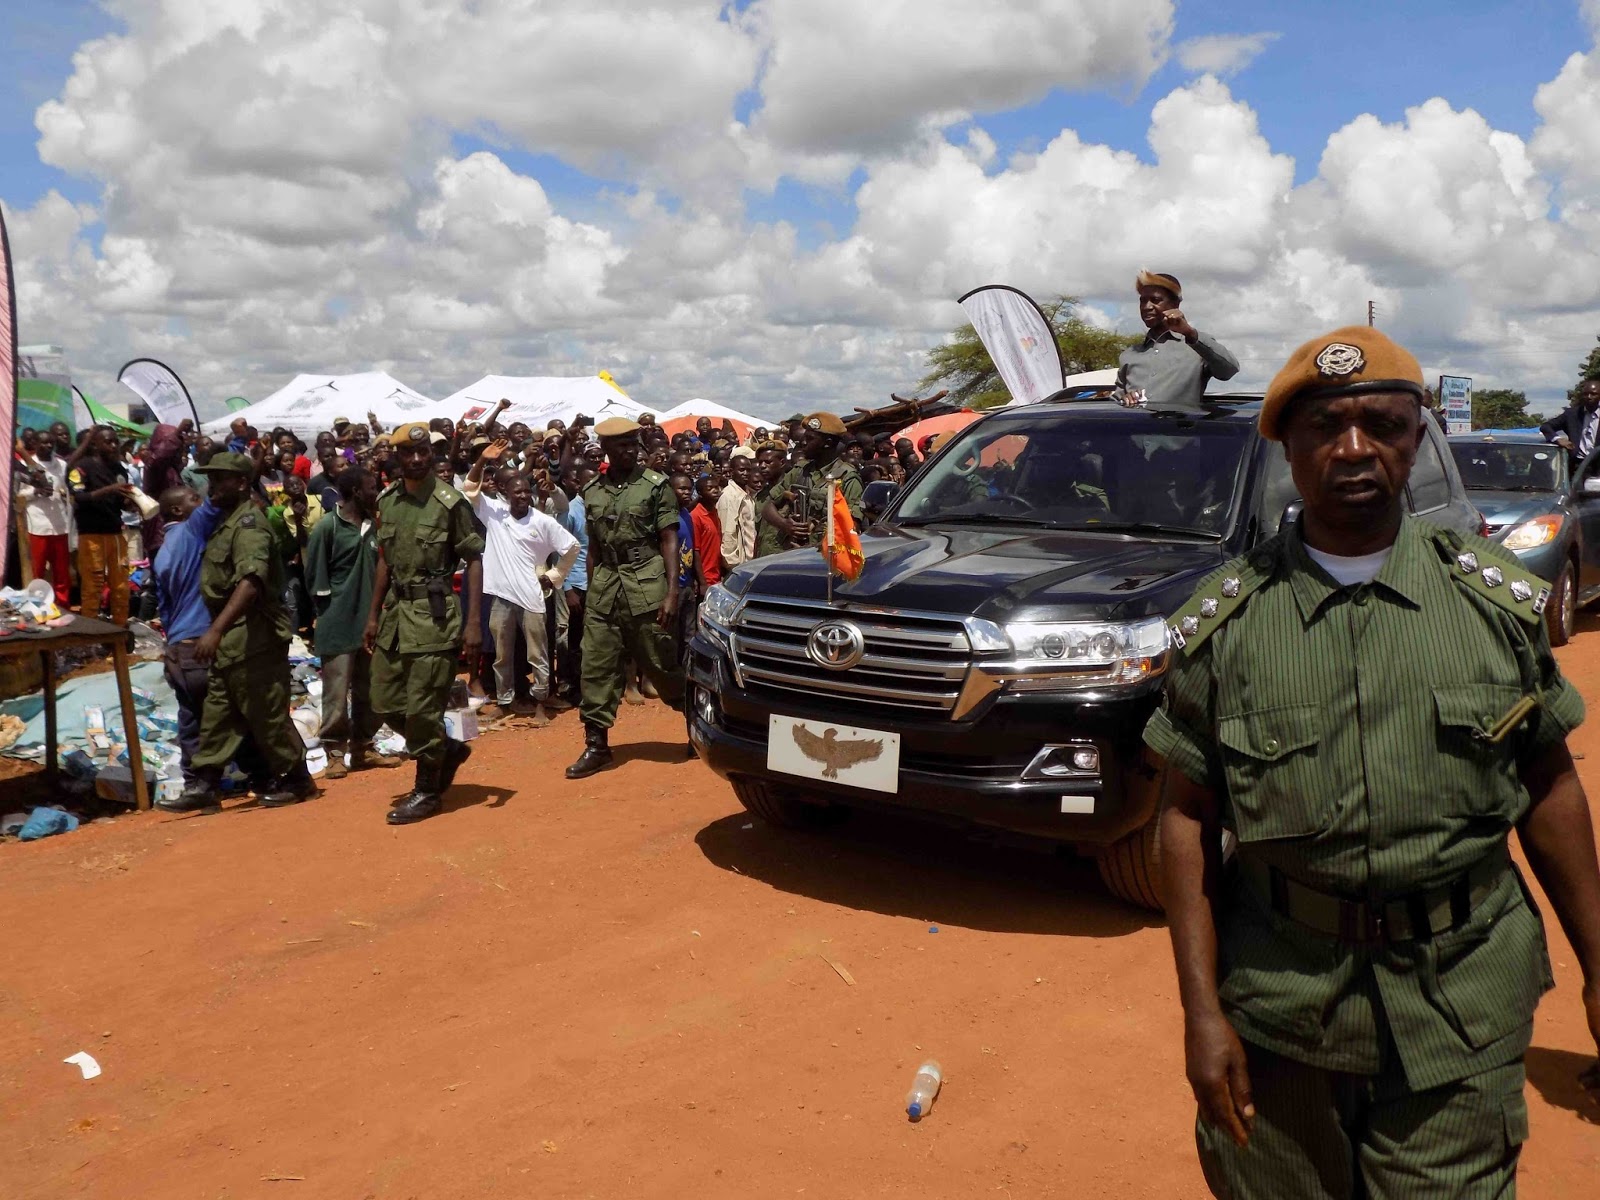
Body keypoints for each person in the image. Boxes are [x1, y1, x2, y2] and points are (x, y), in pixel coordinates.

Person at [1145, 326, 1600, 1198]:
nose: (1353, 449)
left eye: (1382, 424)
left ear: (1417, 436)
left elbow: (1550, 788)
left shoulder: (1493, 607)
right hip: (1280, 1005)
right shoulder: (1227, 626)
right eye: (1325, 427)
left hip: (1462, 998)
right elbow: (1183, 820)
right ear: (1286, 445)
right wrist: (1201, 1016)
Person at [168, 454, 314, 810]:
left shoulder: (248, 525)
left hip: (254, 635)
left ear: (241, 484)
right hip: (232, 636)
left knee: (264, 711)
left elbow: (250, 582)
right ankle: (204, 783)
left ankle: (298, 780)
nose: (212, 486)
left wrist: (214, 630)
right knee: (219, 710)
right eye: (211, 478)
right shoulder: (227, 522)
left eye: (220, 479)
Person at [363, 422, 485, 825]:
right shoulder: (389, 500)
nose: (416, 459)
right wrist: (373, 613)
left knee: (422, 710)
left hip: (434, 618)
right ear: (396, 458)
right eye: (408, 454)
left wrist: (473, 623)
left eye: (423, 454)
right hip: (397, 615)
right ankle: (445, 750)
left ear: (432, 457)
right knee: (382, 702)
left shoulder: (451, 503)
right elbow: (385, 557)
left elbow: (474, 558)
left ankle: (427, 790)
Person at [565, 419, 685, 780]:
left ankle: (699, 723)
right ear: (605, 448)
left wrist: (672, 590)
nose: (629, 450)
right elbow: (594, 547)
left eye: (633, 444)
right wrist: (591, 588)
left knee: (661, 663)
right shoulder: (592, 491)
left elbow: (669, 539)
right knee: (596, 666)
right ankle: (596, 745)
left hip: (646, 585)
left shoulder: (655, 486)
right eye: (620, 445)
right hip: (605, 587)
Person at [463, 441, 580, 726]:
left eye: (527, 491)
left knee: (537, 654)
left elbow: (572, 547)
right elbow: (469, 489)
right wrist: (481, 460)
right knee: (502, 655)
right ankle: (504, 702)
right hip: (502, 597)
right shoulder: (493, 512)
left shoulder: (542, 521)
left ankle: (540, 704)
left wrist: (553, 577)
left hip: (531, 597)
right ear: (505, 493)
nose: (523, 496)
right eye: (517, 492)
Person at [305, 467, 402, 779]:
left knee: (370, 688)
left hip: (371, 622)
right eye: (372, 488)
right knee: (336, 690)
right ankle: (334, 750)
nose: (377, 493)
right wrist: (324, 616)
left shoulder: (375, 527)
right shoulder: (327, 528)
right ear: (357, 492)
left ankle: (363, 748)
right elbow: (314, 577)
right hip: (337, 621)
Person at [1115, 270, 1239, 412]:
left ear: (1175, 303)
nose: (1146, 307)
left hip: (1180, 433)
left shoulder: (1195, 347)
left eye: (1155, 300)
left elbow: (1229, 370)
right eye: (1142, 301)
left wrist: (1190, 333)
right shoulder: (1129, 355)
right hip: (1135, 432)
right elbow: (1115, 402)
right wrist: (1124, 400)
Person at [763, 413, 863, 548]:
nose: (803, 442)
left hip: (824, 558)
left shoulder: (847, 477)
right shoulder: (799, 471)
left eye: (810, 439)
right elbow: (768, 507)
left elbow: (851, 527)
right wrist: (785, 525)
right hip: (791, 553)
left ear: (827, 444)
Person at [66, 425, 133, 624]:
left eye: (115, 441)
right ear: (95, 444)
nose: (113, 446)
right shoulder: (81, 467)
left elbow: (122, 502)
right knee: (92, 586)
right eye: (108, 442)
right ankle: (90, 633)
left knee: (121, 586)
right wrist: (110, 489)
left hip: (115, 534)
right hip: (91, 535)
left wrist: (132, 503)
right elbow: (79, 497)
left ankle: (120, 630)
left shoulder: (119, 469)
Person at [17, 429, 72, 605]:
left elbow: (66, 489)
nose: (48, 446)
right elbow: (19, 495)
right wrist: (36, 491)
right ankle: (34, 607)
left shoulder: (61, 466)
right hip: (37, 525)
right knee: (37, 572)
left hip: (59, 524)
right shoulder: (26, 466)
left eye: (51, 443)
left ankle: (64, 606)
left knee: (62, 573)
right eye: (44, 443)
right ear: (35, 445)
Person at [1539, 377, 1600, 467]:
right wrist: (1557, 439)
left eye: (1593, 394)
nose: (1589, 397)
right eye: (1585, 394)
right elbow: (1546, 426)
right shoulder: (1572, 414)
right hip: (1576, 467)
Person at [717, 447, 757, 570]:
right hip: (739, 563)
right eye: (741, 470)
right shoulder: (728, 496)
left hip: (750, 559)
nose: (745, 473)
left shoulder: (746, 493)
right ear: (731, 471)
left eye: (748, 470)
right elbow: (727, 532)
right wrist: (732, 564)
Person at [691, 474, 724, 592]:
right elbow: (695, 551)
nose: (715, 491)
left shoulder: (714, 512)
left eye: (716, 487)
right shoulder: (696, 516)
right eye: (710, 489)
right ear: (700, 494)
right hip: (706, 579)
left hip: (716, 576)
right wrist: (702, 582)